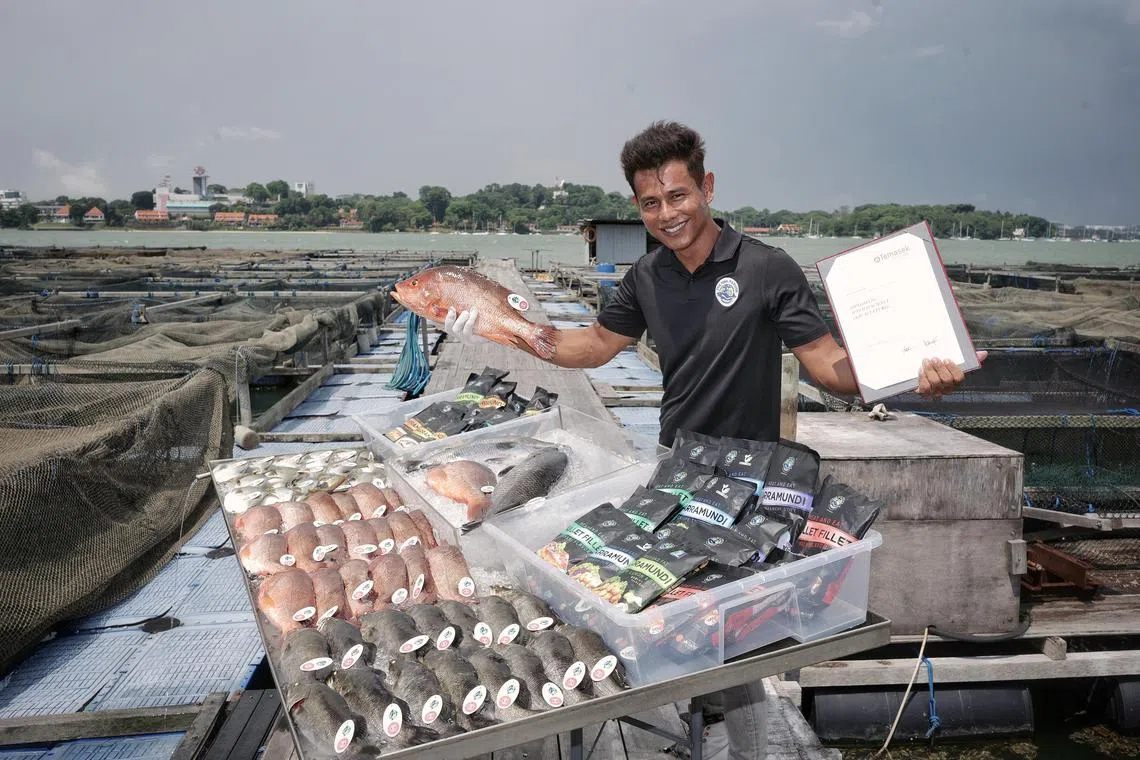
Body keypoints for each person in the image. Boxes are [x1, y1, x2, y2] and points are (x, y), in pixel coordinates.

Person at [444, 120, 983, 758]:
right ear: (638, 206)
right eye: (650, 203)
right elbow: (589, 345)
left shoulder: (766, 268)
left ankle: (746, 748)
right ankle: (693, 730)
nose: (667, 214)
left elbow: (829, 366)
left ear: (707, 186)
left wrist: (905, 377)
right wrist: (500, 327)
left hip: (757, 484)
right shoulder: (646, 277)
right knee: (663, 613)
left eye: (678, 196)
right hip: (676, 470)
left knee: (741, 646)